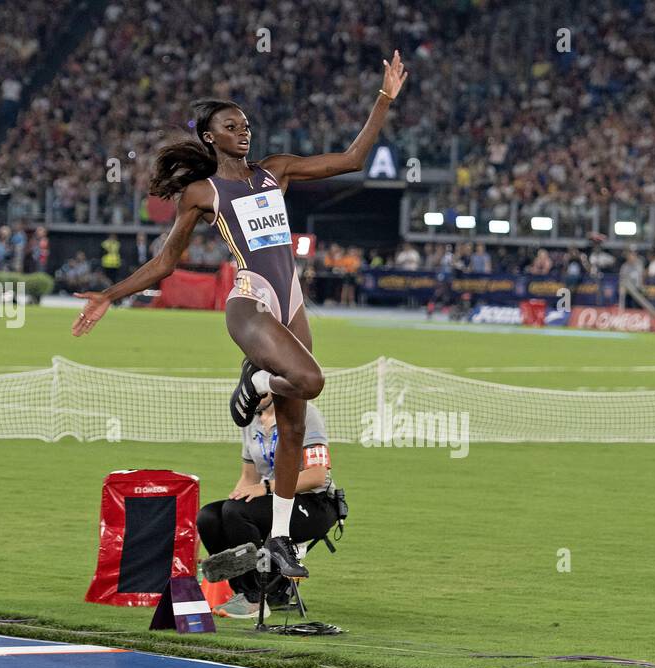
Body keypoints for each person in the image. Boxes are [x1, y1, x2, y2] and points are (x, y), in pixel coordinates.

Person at [71, 51, 405, 584]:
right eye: (232, 127)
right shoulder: (203, 193)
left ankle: (277, 538)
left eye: (246, 125)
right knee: (311, 380)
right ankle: (253, 379)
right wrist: (110, 295)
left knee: (293, 425)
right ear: (209, 137)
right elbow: (166, 262)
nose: (243, 133)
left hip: (291, 297)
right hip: (251, 301)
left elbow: (351, 159)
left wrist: (384, 98)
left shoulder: (277, 171)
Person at [198, 396, 341, 618]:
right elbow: (248, 476)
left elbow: (317, 476)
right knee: (210, 517)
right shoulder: (250, 420)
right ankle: (245, 591)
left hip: (314, 502)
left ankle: (257, 597)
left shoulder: (305, 413)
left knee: (236, 512)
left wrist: (265, 488)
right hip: (271, 497)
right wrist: (232, 502)